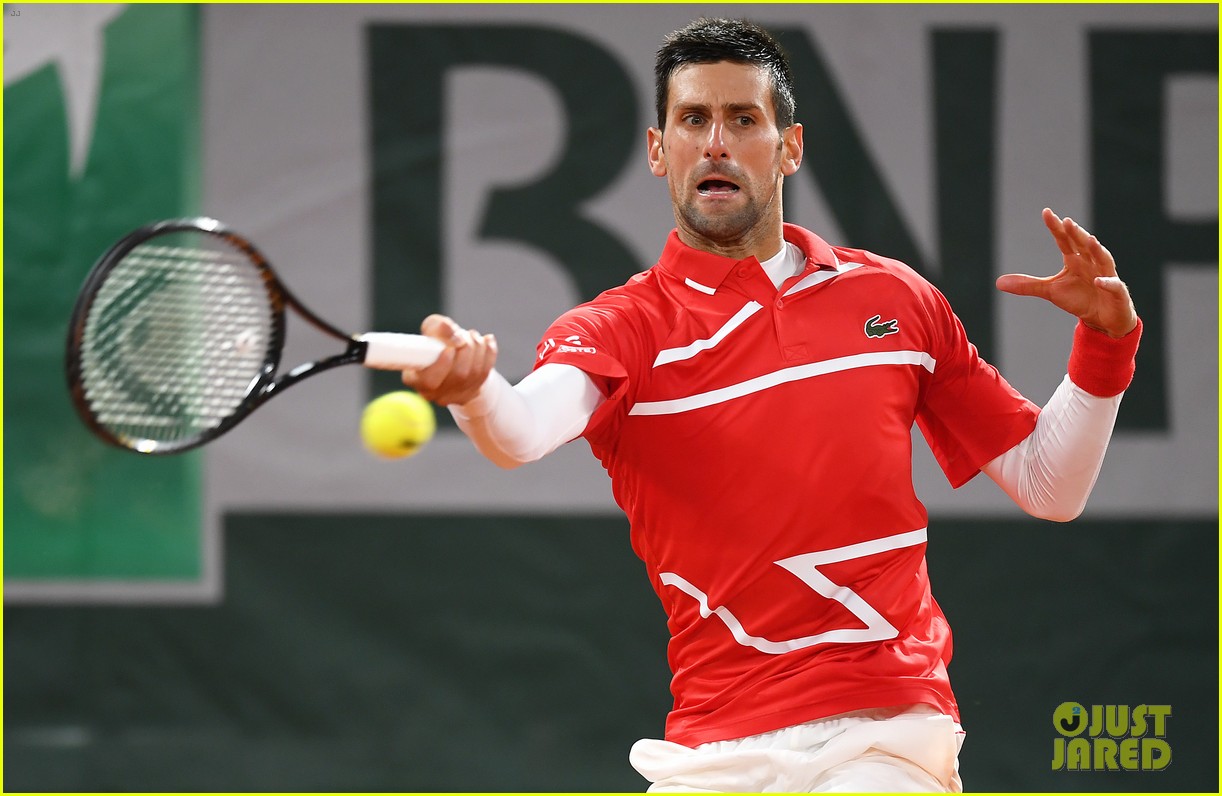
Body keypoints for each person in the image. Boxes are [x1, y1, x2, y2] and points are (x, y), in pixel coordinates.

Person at [400, 17, 1141, 793]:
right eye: (692, 120)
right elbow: (518, 433)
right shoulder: (622, 328)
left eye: (743, 120)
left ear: (788, 146)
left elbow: (1051, 486)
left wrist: (1106, 340)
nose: (715, 142)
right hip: (711, 751)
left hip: (881, 734)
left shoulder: (895, 301)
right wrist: (474, 392)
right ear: (660, 151)